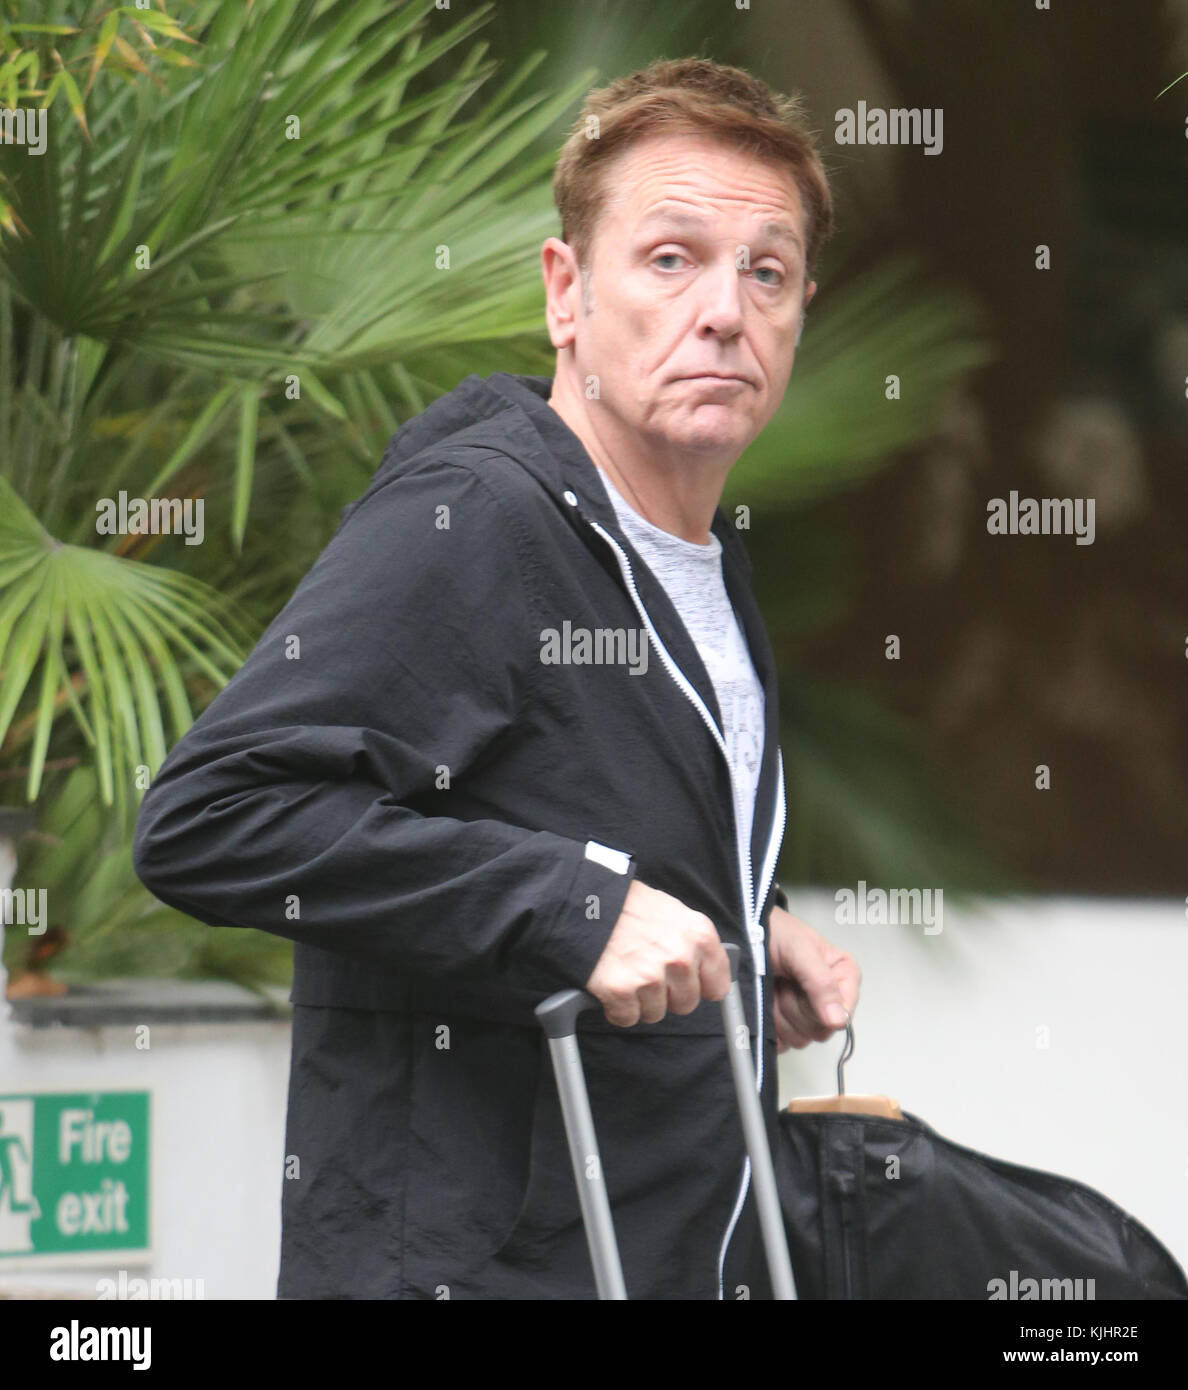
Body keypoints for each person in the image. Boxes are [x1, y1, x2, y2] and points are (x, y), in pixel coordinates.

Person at [132, 56, 860, 1301]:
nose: (726, 311)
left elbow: (566, 797)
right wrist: (571, 910)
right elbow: (206, 819)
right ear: (566, 293)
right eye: (672, 258)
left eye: (768, 270)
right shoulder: (473, 521)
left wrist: (741, 918)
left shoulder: (701, 558)